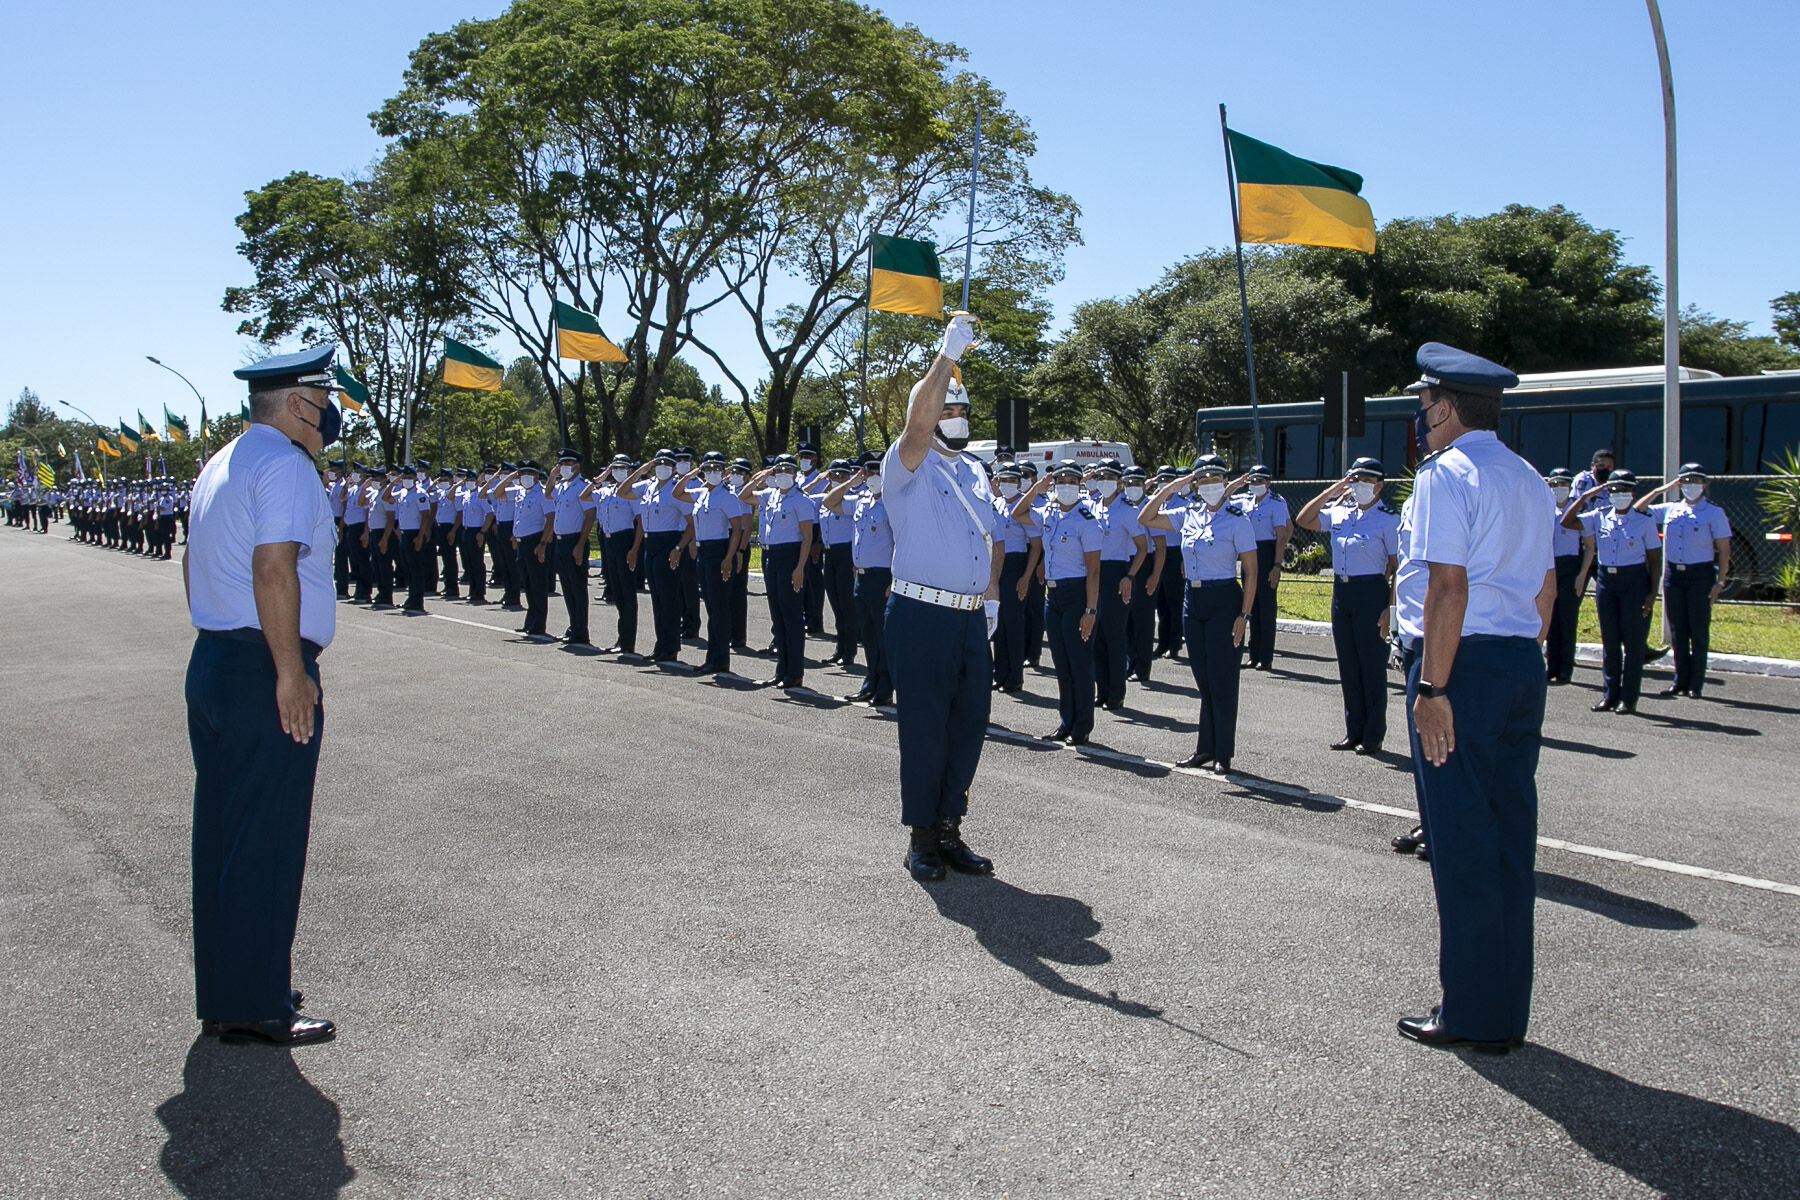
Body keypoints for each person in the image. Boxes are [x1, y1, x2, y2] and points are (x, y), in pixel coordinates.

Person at [1393, 342, 1553, 1056]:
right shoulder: (1527, 475)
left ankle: (1472, 1012)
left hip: (1459, 666)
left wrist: (1434, 686)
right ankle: (1503, 1010)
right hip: (1517, 660)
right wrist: (1520, 657)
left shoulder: (1446, 474)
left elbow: (1447, 586)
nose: (1421, 418)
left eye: (1424, 405)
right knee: (1509, 842)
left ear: (1446, 409)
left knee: (1461, 845)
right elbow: (1546, 585)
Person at [183, 344, 341, 1047]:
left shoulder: (222, 461)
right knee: (267, 838)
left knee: (224, 836)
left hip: (217, 658)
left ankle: (231, 988)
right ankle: (257, 1004)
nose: (331, 416)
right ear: (299, 404)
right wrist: (289, 672)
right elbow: (274, 570)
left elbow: (193, 562)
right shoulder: (286, 464)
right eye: (325, 402)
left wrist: (223, 636)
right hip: (263, 666)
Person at [882, 317, 1003, 882]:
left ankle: (951, 826)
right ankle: (922, 837)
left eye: (962, 409)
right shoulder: (905, 464)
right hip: (922, 614)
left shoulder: (976, 471)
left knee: (969, 724)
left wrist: (991, 597)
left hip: (970, 618)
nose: (955, 416)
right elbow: (918, 425)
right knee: (926, 727)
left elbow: (991, 539)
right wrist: (947, 355)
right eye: (945, 408)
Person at [1139, 456, 1257, 775]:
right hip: (1193, 599)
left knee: (1222, 679)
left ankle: (1223, 752)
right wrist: (1170, 488)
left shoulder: (1237, 519)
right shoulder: (1188, 513)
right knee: (1203, 677)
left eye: (1215, 480)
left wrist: (1244, 615)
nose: (1210, 486)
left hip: (1224, 598)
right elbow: (1146, 517)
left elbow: (1251, 569)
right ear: (1195, 485)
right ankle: (1205, 747)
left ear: (1225, 481)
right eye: (1203, 481)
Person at [1294, 458, 1400, 755]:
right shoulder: (1341, 512)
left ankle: (1373, 734)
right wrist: (1332, 491)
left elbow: (1397, 567)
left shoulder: (1388, 519)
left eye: (1367, 480)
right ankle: (1353, 731)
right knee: (1349, 666)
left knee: (1371, 667)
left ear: (1379, 485)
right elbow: (1304, 519)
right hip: (1342, 592)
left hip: (1371, 592)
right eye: (1355, 479)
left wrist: (1389, 609)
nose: (1360, 485)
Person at [1016, 461, 1099, 744]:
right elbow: (1018, 513)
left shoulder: (1086, 519)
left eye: (1072, 482)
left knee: (1079, 663)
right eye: (1061, 482)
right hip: (1053, 595)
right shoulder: (1048, 513)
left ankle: (1082, 726)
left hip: (1077, 593)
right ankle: (1066, 721)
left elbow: (1094, 571)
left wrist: (1090, 610)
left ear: (1080, 485)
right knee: (1062, 664)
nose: (1066, 486)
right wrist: (1036, 489)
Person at [1562, 470, 1659, 714]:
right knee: (1610, 640)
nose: (1620, 495)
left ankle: (1629, 698)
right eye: (1615, 490)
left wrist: (1651, 593)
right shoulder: (1600, 515)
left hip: (1634, 580)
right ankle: (1610, 695)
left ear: (1633, 493)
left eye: (1625, 490)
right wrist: (1585, 496)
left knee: (1633, 642)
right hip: (1607, 581)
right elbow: (1566, 522)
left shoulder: (1644, 520)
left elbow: (1654, 560)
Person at [1638, 463, 1731, 698]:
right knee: (1677, 629)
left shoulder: (1713, 512)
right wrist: (1661, 490)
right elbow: (1638, 509)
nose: (1691, 486)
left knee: (1698, 629)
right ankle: (1679, 681)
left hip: (1699, 575)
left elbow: (1724, 549)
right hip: (1673, 575)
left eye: (1696, 481)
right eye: (1686, 481)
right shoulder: (1671, 509)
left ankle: (1695, 684)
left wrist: (1720, 582)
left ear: (1704, 484)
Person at [738, 455, 815, 689]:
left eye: (787, 470)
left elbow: (807, 537)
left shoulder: (801, 500)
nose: (782, 474)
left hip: (790, 556)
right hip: (770, 556)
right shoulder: (770, 495)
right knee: (777, 615)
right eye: (778, 470)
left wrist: (800, 568)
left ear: (795, 474)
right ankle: (781, 669)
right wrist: (760, 477)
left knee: (791, 616)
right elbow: (743, 496)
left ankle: (794, 672)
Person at [824, 455, 896, 704]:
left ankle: (884, 688)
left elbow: (900, 542)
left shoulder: (893, 503)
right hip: (861, 577)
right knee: (868, 636)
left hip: (881, 577)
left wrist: (893, 580)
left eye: (878, 473)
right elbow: (829, 502)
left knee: (882, 636)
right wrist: (850, 482)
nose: (873, 478)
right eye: (869, 473)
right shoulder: (860, 500)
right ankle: (870, 684)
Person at [680, 451, 751, 676]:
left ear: (723, 471)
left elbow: (737, 529)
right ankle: (712, 657)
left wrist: (729, 557)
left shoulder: (727, 496)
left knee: (719, 608)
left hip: (718, 550)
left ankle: (720, 659)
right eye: (708, 468)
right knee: (710, 605)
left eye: (717, 468)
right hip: (703, 551)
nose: (712, 472)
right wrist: (692, 474)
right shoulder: (702, 493)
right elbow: (677, 492)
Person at [1089, 459, 1147, 712]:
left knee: (1114, 634)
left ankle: (1116, 692)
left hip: (1116, 572)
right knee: (1096, 635)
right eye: (1101, 477)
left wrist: (1130, 576)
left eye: (1110, 478)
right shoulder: (1090, 506)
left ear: (1120, 482)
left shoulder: (1127, 510)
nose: (1105, 482)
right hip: (1092, 572)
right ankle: (1101, 690)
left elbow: (1142, 548)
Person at [1228, 464, 1290, 670]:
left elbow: (1281, 536)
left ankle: (1266, 656)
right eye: (1252, 481)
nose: (1255, 484)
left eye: (1260, 481)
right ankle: (1253, 655)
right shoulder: (1244, 500)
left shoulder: (1276, 503)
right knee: (1251, 605)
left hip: (1266, 553)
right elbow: (1222, 499)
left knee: (1266, 608)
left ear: (1268, 483)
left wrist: (1277, 565)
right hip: (1249, 552)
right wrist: (1236, 484)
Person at [634, 449, 692, 663]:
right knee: (657, 597)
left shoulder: (676, 490)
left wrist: (679, 548)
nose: (662, 467)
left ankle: (671, 646)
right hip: (651, 543)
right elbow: (623, 491)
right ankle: (661, 644)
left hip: (669, 542)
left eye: (667, 464)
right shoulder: (648, 487)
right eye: (658, 463)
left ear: (674, 467)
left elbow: (691, 524)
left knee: (669, 598)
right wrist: (642, 470)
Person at [988, 462, 1036, 694]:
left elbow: (1036, 545)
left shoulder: (1024, 506)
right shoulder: (996, 504)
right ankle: (1000, 673)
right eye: (1003, 480)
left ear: (1019, 483)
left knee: (1014, 622)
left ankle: (1015, 677)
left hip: (1017, 564)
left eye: (1012, 480)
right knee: (999, 623)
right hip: (998, 563)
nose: (1007, 484)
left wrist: (1026, 576)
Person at [592, 454, 642, 656]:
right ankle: (622, 638)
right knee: (617, 592)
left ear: (630, 471)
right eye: (615, 468)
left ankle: (628, 641)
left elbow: (640, 522)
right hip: (608, 540)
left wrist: (634, 549)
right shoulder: (606, 490)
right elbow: (584, 495)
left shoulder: (632, 492)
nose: (618, 471)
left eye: (623, 468)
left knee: (627, 592)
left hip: (625, 540)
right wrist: (602, 476)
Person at [1120, 465, 1165, 685]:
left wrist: (1155, 575)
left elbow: (1160, 547)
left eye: (1137, 483)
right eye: (1129, 483)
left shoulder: (1150, 508)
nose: (1133, 487)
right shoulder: (1122, 506)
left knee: (1143, 621)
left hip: (1144, 565)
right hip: (1124, 564)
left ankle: (1142, 668)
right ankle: (1129, 663)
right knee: (1126, 620)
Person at [547, 449, 596, 647]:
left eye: (568, 464)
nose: (564, 467)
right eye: (562, 464)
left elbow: (590, 516)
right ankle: (573, 627)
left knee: (577, 588)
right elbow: (547, 493)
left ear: (577, 465)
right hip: (560, 541)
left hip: (574, 540)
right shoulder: (562, 486)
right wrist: (552, 476)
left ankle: (581, 631)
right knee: (567, 587)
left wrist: (580, 545)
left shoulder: (581, 487)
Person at [817, 459, 861, 667]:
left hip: (846, 553)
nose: (838, 479)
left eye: (843, 476)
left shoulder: (852, 499)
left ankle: (849, 650)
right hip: (829, 554)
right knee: (835, 603)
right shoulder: (825, 499)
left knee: (847, 605)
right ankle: (840, 647)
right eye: (834, 475)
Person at [501, 462, 551, 639]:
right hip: (521, 543)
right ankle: (530, 621)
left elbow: (550, 518)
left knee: (537, 584)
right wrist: (511, 477)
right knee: (528, 584)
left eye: (530, 473)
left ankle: (539, 624)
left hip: (535, 541)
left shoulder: (543, 493)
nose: (526, 476)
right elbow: (496, 493)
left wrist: (543, 544)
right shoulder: (519, 491)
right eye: (523, 473)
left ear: (537, 475)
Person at [1543, 468, 1582, 684]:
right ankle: (1552, 666)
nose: (1560, 489)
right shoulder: (1545, 508)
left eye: (1564, 485)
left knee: (1567, 618)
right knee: (1551, 618)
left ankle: (1566, 668)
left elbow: (1588, 543)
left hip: (1569, 565)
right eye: (1555, 484)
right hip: (1549, 564)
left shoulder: (1576, 510)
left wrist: (1582, 574)